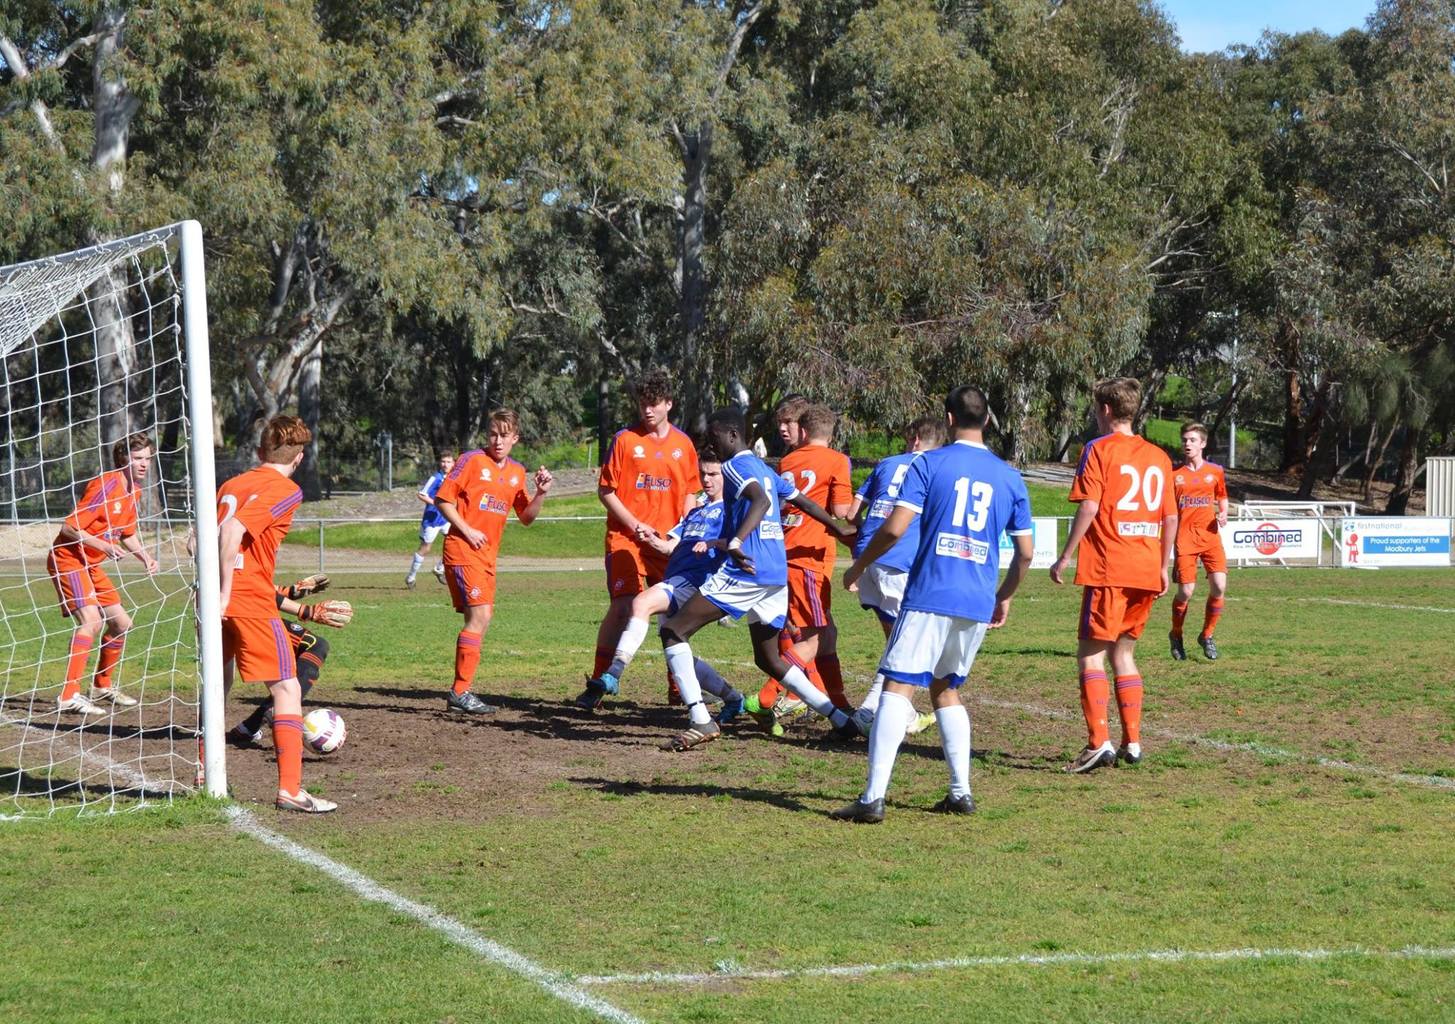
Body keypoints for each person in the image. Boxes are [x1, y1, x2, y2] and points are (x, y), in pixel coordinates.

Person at [834, 387, 1035, 823]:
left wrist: (858, 566)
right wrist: (1004, 596)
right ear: (987, 420)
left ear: (949, 418)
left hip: (930, 594)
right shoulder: (1010, 477)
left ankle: (872, 798)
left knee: (897, 686)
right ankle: (960, 792)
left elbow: (894, 529)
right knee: (946, 688)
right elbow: (1025, 554)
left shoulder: (928, 463)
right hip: (976, 599)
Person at [654, 408, 859, 752]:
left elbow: (760, 501)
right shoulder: (765, 469)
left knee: (673, 631)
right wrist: (835, 527)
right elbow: (802, 501)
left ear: (733, 435)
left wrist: (735, 542)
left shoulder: (734, 467)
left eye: (715, 437)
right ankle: (840, 719)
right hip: (776, 573)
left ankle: (700, 720)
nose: (712, 444)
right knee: (769, 659)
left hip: (747, 570)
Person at [1049, 378, 1177, 773]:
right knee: (1123, 654)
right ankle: (1132, 742)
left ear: (1105, 409)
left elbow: (1089, 506)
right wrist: (1163, 565)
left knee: (1090, 657)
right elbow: (1170, 516)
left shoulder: (1097, 449)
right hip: (1145, 567)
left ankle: (1097, 743)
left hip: (1109, 567)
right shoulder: (1159, 456)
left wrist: (1065, 555)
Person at [216, 415, 334, 812]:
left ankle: (205, 774)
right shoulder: (286, 489)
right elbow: (232, 531)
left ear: (259, 451)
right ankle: (291, 791)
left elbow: (198, 542)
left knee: (217, 686)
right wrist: (227, 592)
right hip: (247, 601)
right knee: (287, 688)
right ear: (299, 458)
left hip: (212, 597)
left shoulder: (231, 485)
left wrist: (216, 592)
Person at [577, 452, 745, 717]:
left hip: (697, 581)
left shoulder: (732, 511)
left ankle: (614, 672)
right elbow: (670, 546)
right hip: (677, 578)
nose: (706, 479)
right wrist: (651, 538)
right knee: (676, 653)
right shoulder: (696, 512)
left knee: (641, 602)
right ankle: (733, 698)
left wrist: (714, 543)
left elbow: (742, 542)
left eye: (713, 474)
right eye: (703, 474)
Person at [585, 369, 700, 704]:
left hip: (667, 544)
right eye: (642, 403)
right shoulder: (625, 440)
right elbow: (606, 491)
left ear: (669, 404)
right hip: (627, 541)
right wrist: (635, 525)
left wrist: (682, 532)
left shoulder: (683, 445)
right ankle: (598, 684)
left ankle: (678, 688)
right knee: (623, 607)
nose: (647, 410)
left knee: (674, 614)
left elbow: (691, 492)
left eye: (654, 403)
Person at [434, 409, 553, 714]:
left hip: (487, 557)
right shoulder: (471, 460)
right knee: (481, 616)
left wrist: (540, 493)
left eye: (504, 435)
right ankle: (460, 692)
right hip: (462, 549)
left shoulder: (517, 472)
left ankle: (461, 691)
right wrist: (468, 529)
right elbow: (443, 500)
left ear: (515, 438)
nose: (497, 441)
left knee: (481, 620)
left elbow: (526, 517)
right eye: (493, 434)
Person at [747, 403, 854, 725]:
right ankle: (765, 697)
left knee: (825, 632)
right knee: (816, 638)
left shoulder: (788, 460)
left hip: (784, 552)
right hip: (809, 557)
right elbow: (842, 510)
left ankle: (840, 706)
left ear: (803, 431)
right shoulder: (837, 460)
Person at [845, 414, 949, 734]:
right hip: (899, 562)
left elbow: (851, 514)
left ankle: (898, 714)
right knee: (908, 647)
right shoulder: (935, 468)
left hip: (869, 558)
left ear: (914, 438)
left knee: (897, 643)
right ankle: (872, 714)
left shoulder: (887, 463)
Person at [49, 432, 160, 715]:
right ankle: (68, 695)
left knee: (121, 624)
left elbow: (127, 533)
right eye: (138, 458)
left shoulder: (134, 490)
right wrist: (103, 546)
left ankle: (101, 686)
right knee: (92, 621)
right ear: (122, 458)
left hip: (91, 564)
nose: (144, 464)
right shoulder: (106, 484)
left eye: (148, 458)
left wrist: (145, 557)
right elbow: (69, 527)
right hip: (69, 559)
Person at [226, 574, 352, 746]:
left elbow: (249, 581)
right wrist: (306, 611)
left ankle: (247, 727)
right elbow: (247, 587)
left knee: (221, 680)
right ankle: (273, 712)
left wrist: (289, 591)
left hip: (235, 608)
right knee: (315, 647)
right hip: (245, 612)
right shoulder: (241, 555)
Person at [1168, 423, 1229, 661]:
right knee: (1186, 591)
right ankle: (1176, 634)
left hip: (1210, 536)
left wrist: (1223, 513)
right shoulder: (1174, 475)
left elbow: (1222, 496)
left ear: (1202, 443)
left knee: (1219, 586)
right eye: (1185, 440)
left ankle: (1207, 635)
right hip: (1185, 538)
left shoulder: (1215, 471)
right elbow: (1168, 509)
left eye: (1192, 440)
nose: (1187, 444)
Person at [406, 453, 455, 589]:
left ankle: (439, 568)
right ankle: (411, 577)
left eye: (448, 462)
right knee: (425, 548)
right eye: (443, 461)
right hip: (432, 519)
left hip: (446, 518)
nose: (445, 464)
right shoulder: (436, 477)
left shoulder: (453, 477)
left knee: (455, 543)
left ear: (453, 463)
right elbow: (421, 494)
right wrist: (436, 503)